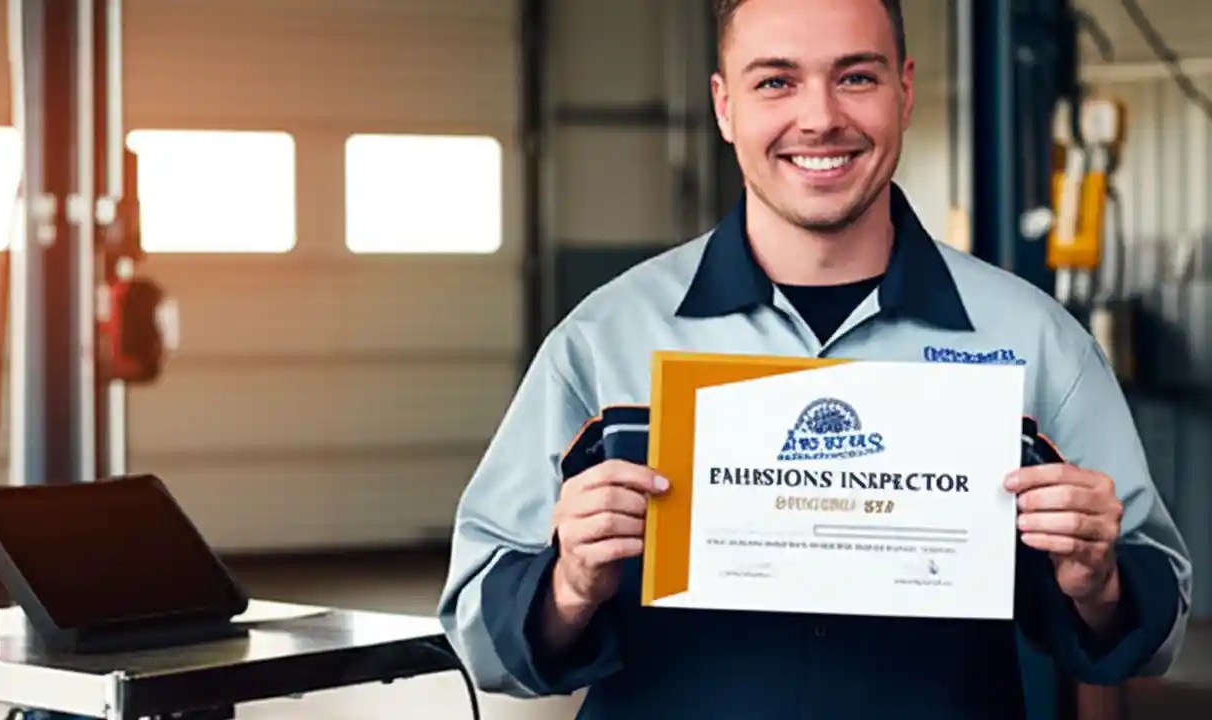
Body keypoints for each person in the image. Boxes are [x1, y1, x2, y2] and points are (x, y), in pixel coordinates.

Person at [437, 0, 1193, 717]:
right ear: (724, 105)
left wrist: (1100, 582)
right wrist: (568, 584)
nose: (821, 118)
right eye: (776, 81)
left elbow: (1157, 625)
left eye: (856, 77)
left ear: (904, 91)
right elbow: (477, 625)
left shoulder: (1034, 343)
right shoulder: (605, 344)